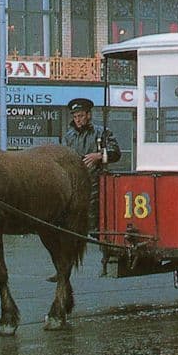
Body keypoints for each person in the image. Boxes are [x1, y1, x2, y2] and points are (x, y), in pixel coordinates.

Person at [52, 97, 121, 279]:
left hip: (97, 185)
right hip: (73, 186)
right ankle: (63, 268)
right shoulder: (68, 136)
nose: (78, 119)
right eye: (75, 116)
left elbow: (116, 153)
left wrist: (99, 156)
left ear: (89, 115)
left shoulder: (102, 132)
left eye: (81, 115)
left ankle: (107, 261)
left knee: (100, 226)